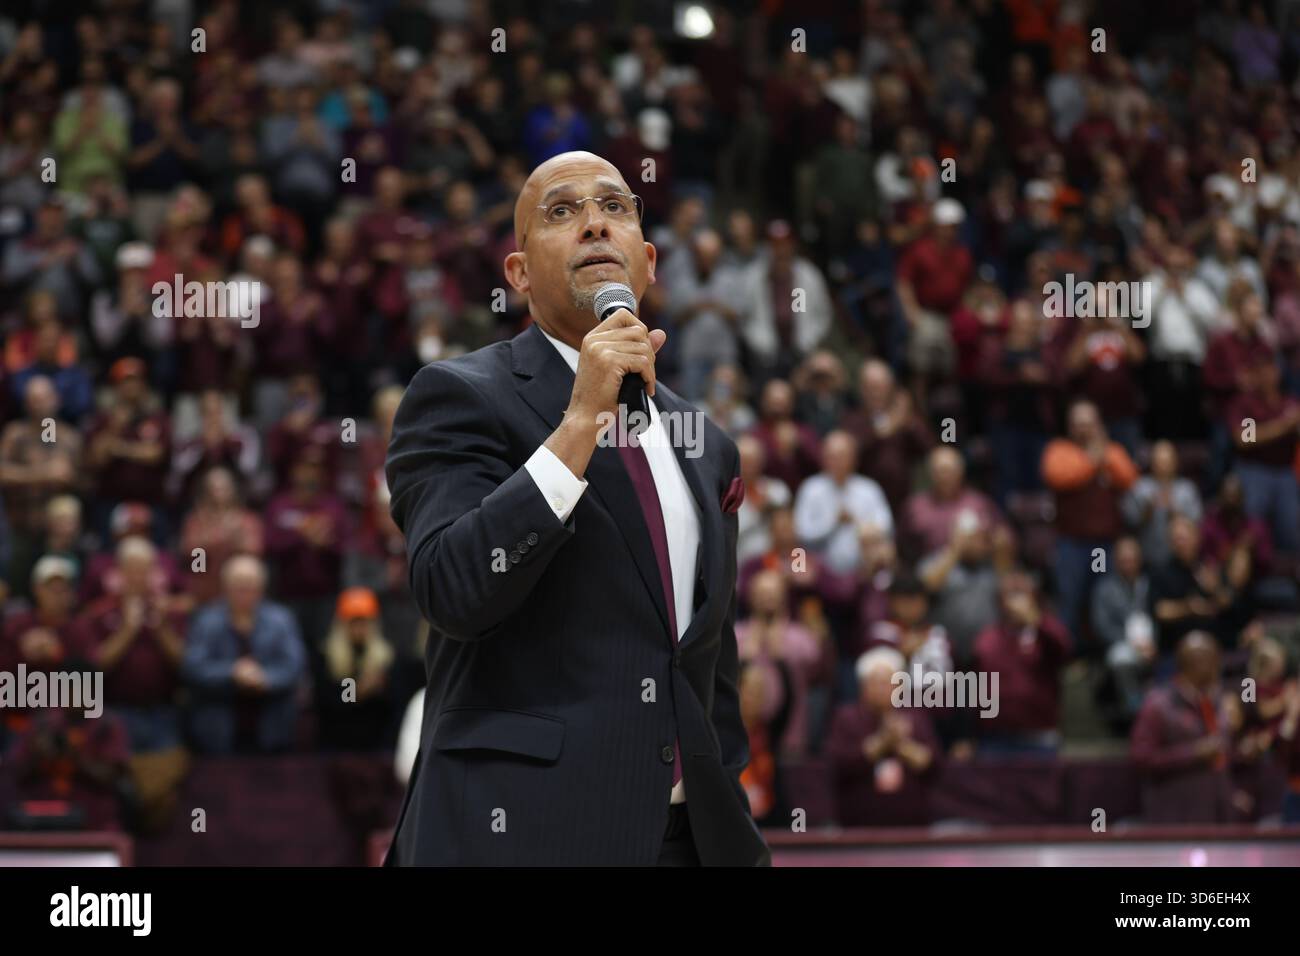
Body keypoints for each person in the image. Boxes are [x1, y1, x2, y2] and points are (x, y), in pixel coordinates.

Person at [384, 151, 770, 866]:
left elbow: (709, 664)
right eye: (562, 211)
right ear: (519, 274)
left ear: (647, 262)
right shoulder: (458, 396)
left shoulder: (706, 444)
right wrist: (583, 418)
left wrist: (727, 812)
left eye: (615, 207)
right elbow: (452, 588)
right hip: (517, 834)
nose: (595, 223)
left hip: (686, 843)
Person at [182, 555, 306, 754]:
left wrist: (264, 678)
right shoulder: (206, 620)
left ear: (262, 589)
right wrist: (232, 672)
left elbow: (294, 666)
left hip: (273, 728)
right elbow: (192, 667)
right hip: (217, 730)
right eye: (238, 588)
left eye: (250, 588)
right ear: (225, 588)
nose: (244, 594)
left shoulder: (281, 620)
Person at [1130, 631, 1233, 823]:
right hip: (1175, 819)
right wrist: (1193, 753)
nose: (1218, 667)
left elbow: (1222, 755)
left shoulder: (1217, 702)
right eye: (1214, 661)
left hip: (1214, 815)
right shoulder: (1158, 705)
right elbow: (1141, 758)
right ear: (1197, 663)